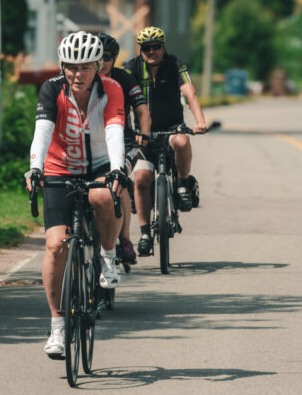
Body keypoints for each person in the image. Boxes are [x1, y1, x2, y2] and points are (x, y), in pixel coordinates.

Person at [24, 31, 127, 358]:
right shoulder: (51, 90)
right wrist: (35, 168)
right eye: (70, 66)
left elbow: (114, 130)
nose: (77, 74)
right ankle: (56, 326)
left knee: (102, 197)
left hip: (97, 165)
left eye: (84, 67)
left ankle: (108, 257)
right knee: (56, 246)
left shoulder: (111, 89)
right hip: (59, 167)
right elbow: (42, 132)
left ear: (98, 66)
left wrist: (117, 169)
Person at [123, 26, 207, 256]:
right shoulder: (130, 68)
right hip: (144, 133)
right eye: (146, 48)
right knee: (141, 178)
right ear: (140, 49)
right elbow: (121, 99)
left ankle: (182, 184)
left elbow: (190, 92)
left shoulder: (175, 64)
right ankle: (145, 234)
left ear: (163, 47)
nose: (151, 51)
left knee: (181, 142)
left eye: (156, 47)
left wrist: (200, 121)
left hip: (172, 128)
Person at [97, 33, 151, 265]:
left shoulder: (124, 78)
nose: (102, 63)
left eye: (107, 58)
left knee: (120, 183)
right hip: (87, 144)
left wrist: (144, 133)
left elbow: (141, 109)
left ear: (115, 58)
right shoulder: (81, 78)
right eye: (97, 57)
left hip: (124, 141)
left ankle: (126, 240)